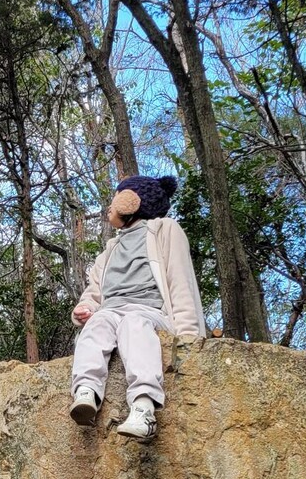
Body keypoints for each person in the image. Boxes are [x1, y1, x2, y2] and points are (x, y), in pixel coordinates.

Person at [70, 174, 205, 441]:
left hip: (151, 312)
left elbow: (180, 281)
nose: (109, 206)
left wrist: (187, 338)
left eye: (115, 198)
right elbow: (94, 291)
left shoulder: (164, 230)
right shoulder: (110, 249)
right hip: (111, 312)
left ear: (129, 201)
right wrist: (84, 308)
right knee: (98, 323)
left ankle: (143, 407)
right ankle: (86, 391)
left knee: (134, 322)